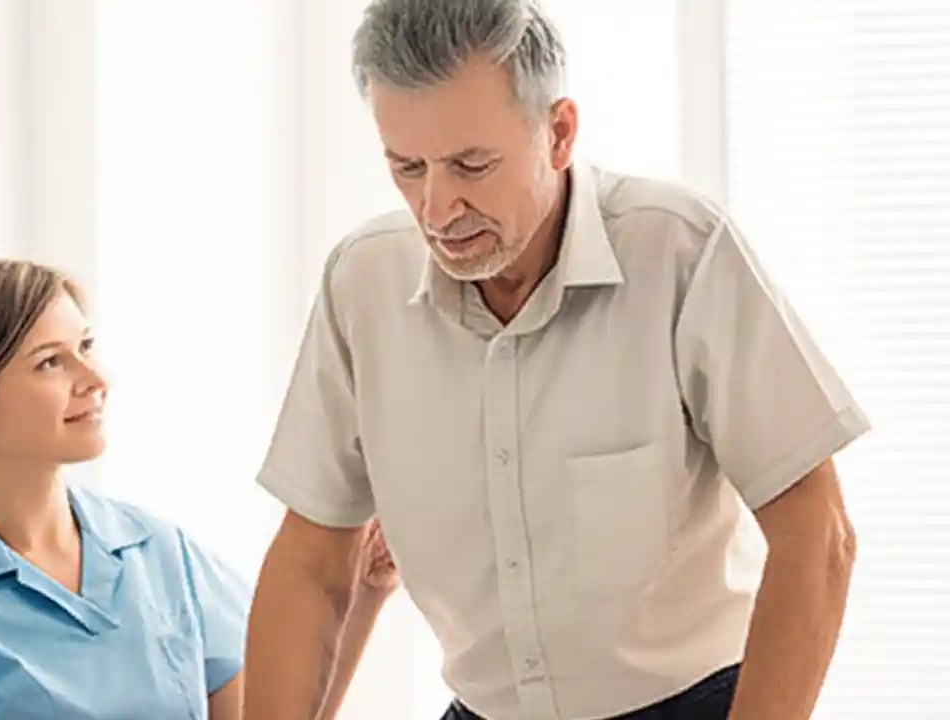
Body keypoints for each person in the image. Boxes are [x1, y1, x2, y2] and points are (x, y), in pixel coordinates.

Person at [244, 2, 868, 719]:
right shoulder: (362, 283)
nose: (438, 210)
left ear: (559, 132)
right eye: (407, 167)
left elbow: (818, 537)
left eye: (472, 165)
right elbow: (312, 565)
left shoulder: (680, 251)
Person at [0, 259, 398, 720]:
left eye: (85, 346)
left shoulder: (159, 552)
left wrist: (364, 594)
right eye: (50, 363)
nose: (96, 379)